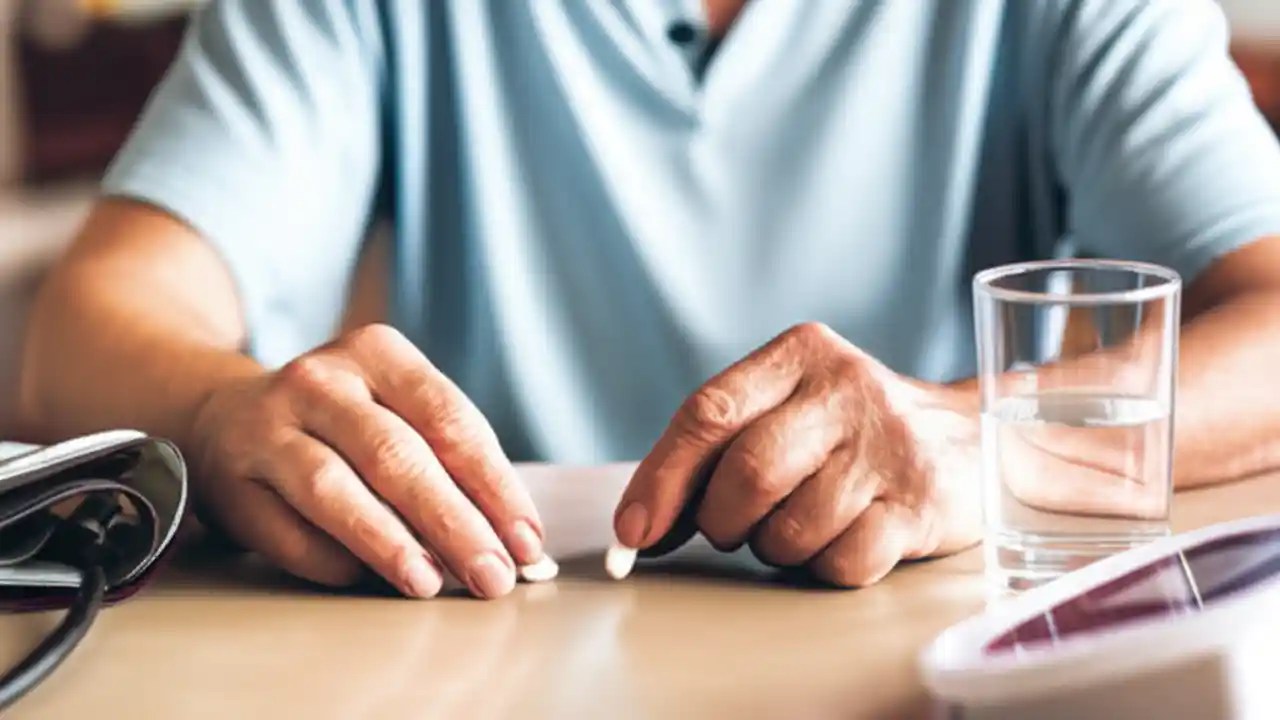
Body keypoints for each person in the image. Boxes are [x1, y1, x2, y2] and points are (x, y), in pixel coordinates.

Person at [16, 0, 1280, 600]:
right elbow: (86, 330)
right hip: (476, 650)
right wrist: (228, 406)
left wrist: (973, 436)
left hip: (927, 640)